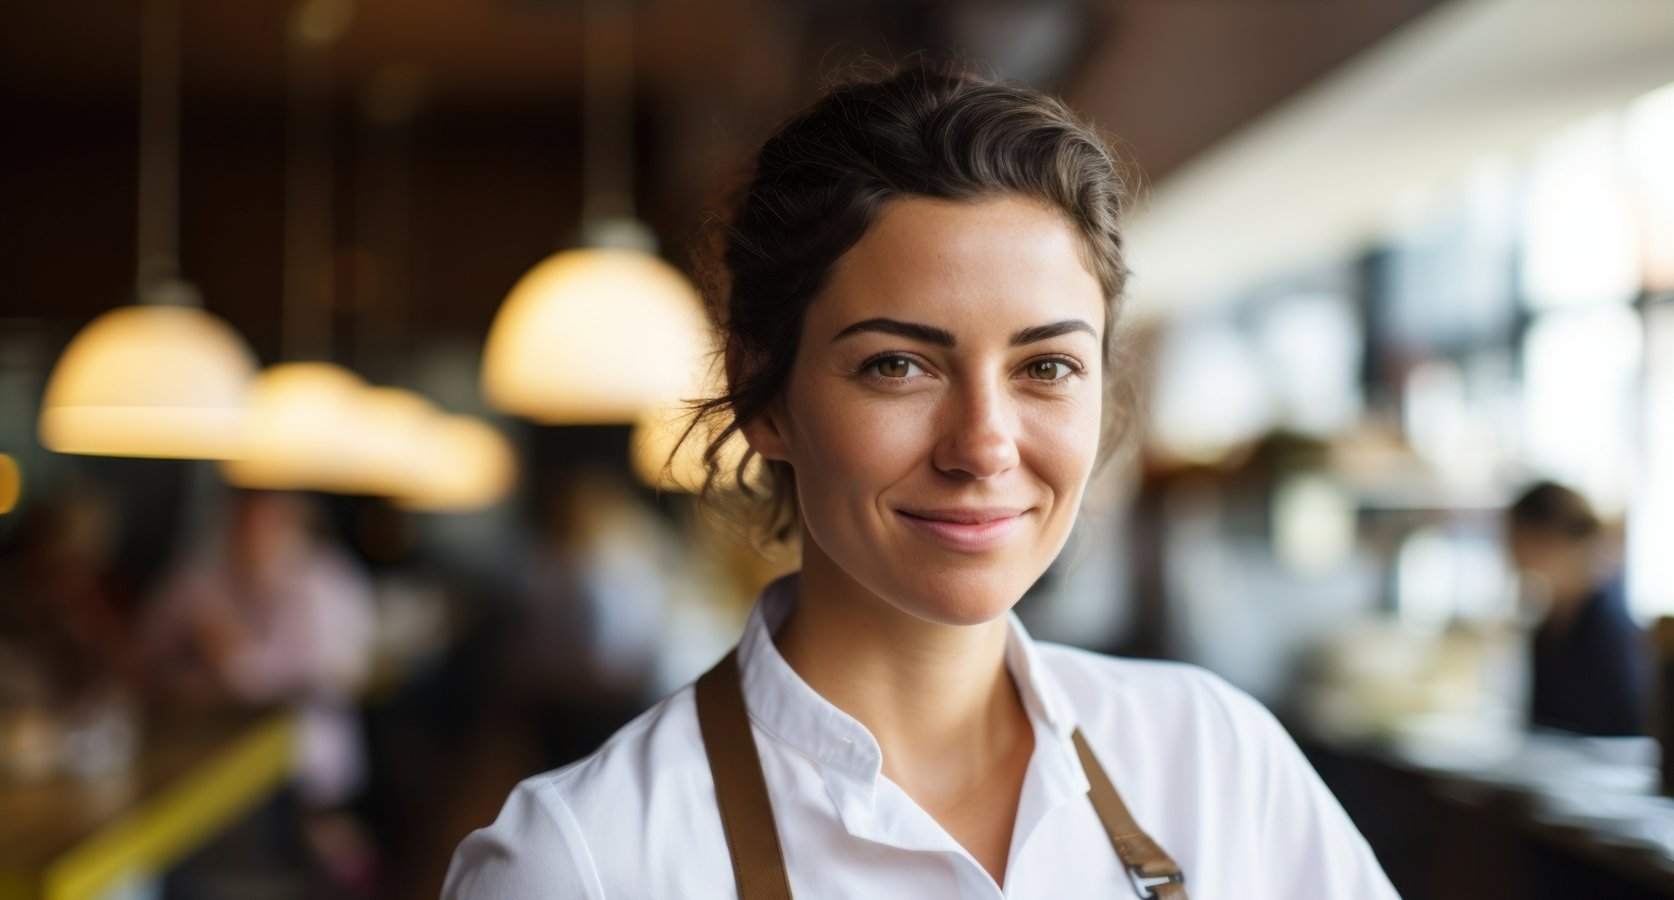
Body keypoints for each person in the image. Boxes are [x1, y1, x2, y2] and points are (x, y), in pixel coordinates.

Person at [443, 63, 1396, 899]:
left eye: (1046, 367)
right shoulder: (582, 863)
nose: (983, 447)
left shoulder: (1218, 765)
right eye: (898, 365)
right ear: (762, 394)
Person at [1509, 481, 1646, 737]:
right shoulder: (1550, 621)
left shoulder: (1608, 626)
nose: (1509, 550)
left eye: (1514, 537)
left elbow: (1628, 728)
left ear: (1545, 538)